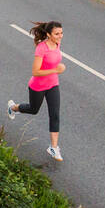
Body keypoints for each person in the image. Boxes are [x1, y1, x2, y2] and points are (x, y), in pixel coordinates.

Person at [8, 20, 66, 161]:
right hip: (38, 86)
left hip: (53, 85)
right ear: (48, 34)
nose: (60, 36)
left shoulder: (57, 44)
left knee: (55, 115)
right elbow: (35, 71)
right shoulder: (41, 48)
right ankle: (13, 107)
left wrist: (56, 71)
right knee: (33, 110)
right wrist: (56, 70)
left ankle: (53, 147)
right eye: (57, 33)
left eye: (61, 33)